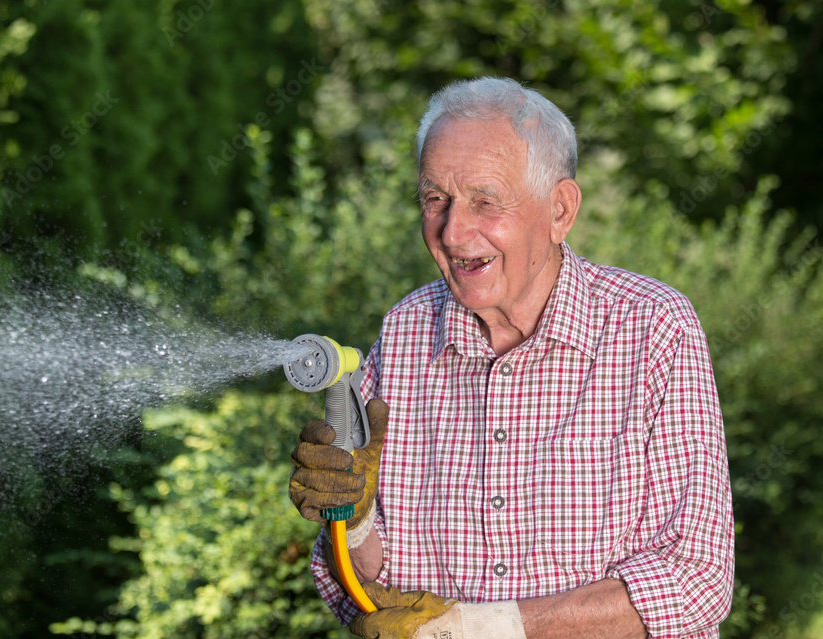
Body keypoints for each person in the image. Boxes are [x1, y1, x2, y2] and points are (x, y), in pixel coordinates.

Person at [289, 77, 734, 639]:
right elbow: (357, 593)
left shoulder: (650, 327)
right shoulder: (404, 332)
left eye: (485, 200)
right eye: (435, 200)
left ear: (560, 210)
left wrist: (473, 629)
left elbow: (696, 582)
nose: (453, 232)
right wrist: (351, 525)